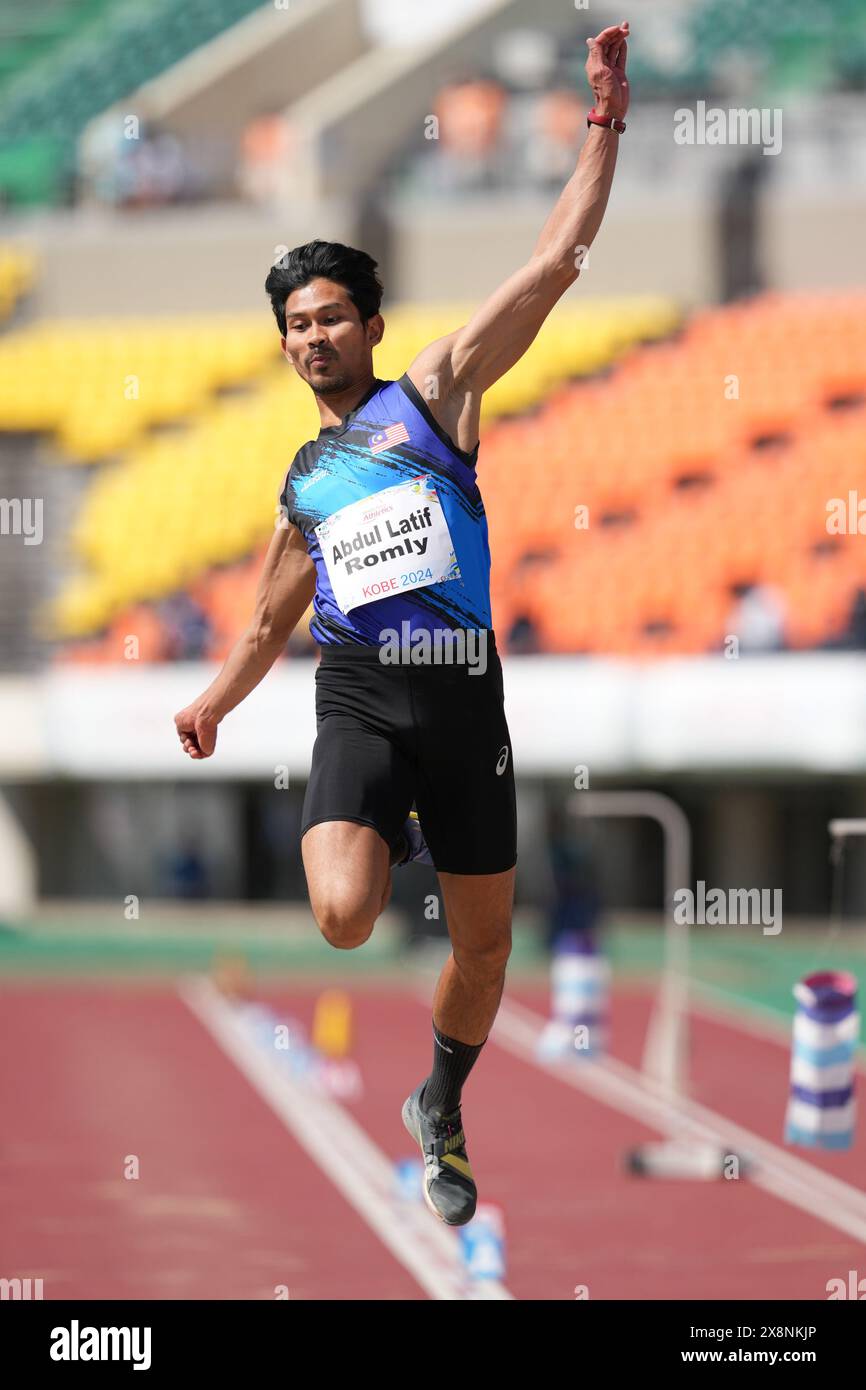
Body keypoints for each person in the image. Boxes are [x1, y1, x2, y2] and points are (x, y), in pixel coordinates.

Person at [174, 22, 630, 1226]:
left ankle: (440, 1103)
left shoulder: (434, 397)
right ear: (283, 345)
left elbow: (553, 262)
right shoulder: (304, 479)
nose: (312, 337)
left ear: (368, 326)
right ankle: (396, 825)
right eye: (295, 325)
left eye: (331, 317)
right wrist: (215, 700)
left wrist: (603, 120)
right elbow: (273, 610)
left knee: (484, 951)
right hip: (364, 698)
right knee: (340, 916)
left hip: (463, 701)